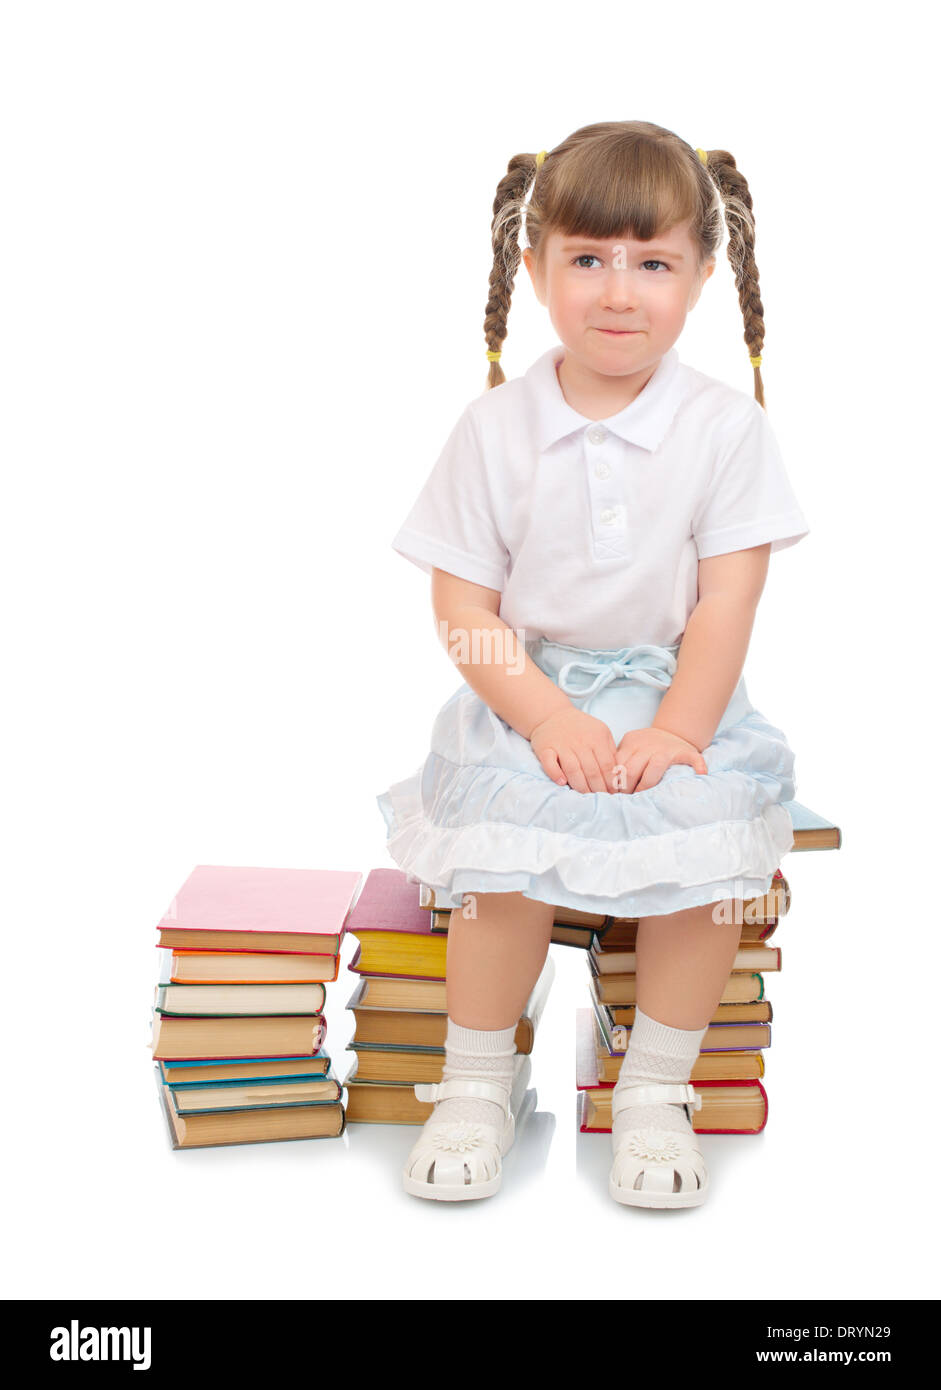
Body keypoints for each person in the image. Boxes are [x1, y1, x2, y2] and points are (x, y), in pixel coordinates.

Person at [376, 120, 809, 1209]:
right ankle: (476, 1081)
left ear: (700, 274)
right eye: (586, 258)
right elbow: (461, 606)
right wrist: (542, 718)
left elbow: (726, 601)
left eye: (652, 263)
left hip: (675, 692)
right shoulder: (494, 427)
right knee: (499, 863)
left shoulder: (723, 429)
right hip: (527, 693)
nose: (618, 292)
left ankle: (655, 1087)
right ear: (533, 269)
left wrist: (677, 730)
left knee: (701, 856)